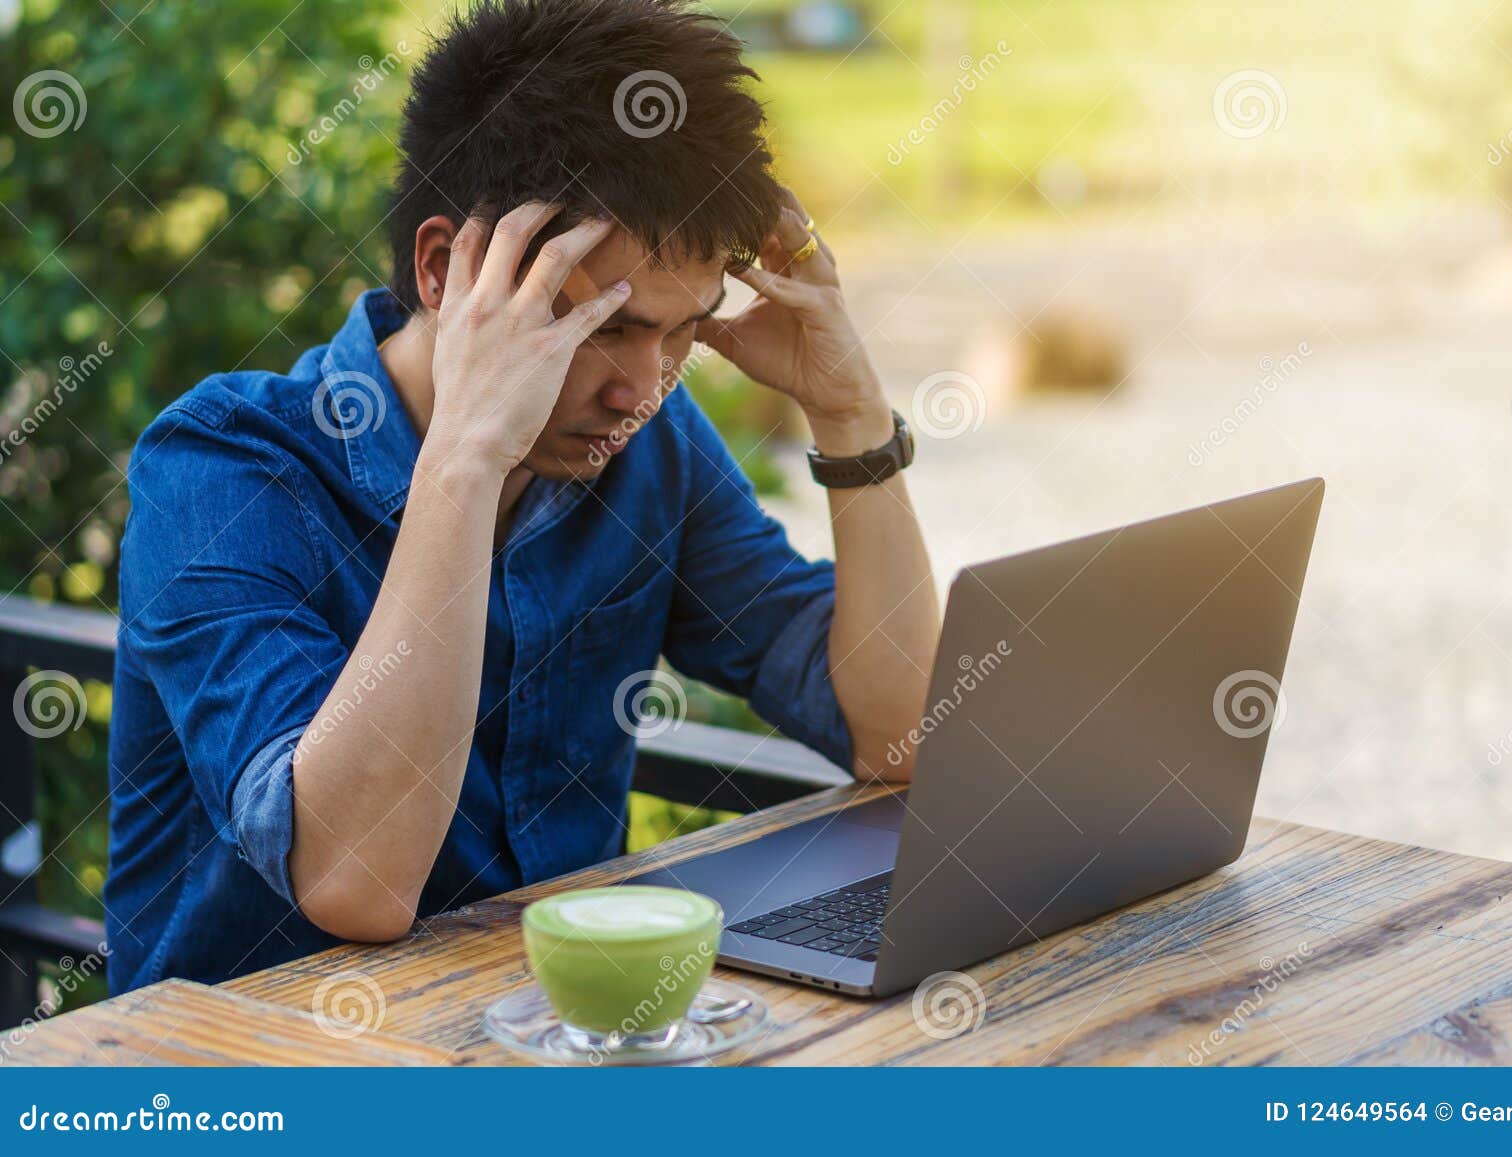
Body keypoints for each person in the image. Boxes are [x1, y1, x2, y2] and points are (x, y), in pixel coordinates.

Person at [105, 0, 938, 992]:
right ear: (443, 271)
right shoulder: (220, 470)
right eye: (600, 328)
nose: (641, 389)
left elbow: (898, 731)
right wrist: (467, 456)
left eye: (682, 330)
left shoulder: (649, 445)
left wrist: (849, 416)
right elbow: (356, 882)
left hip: (554, 1033)